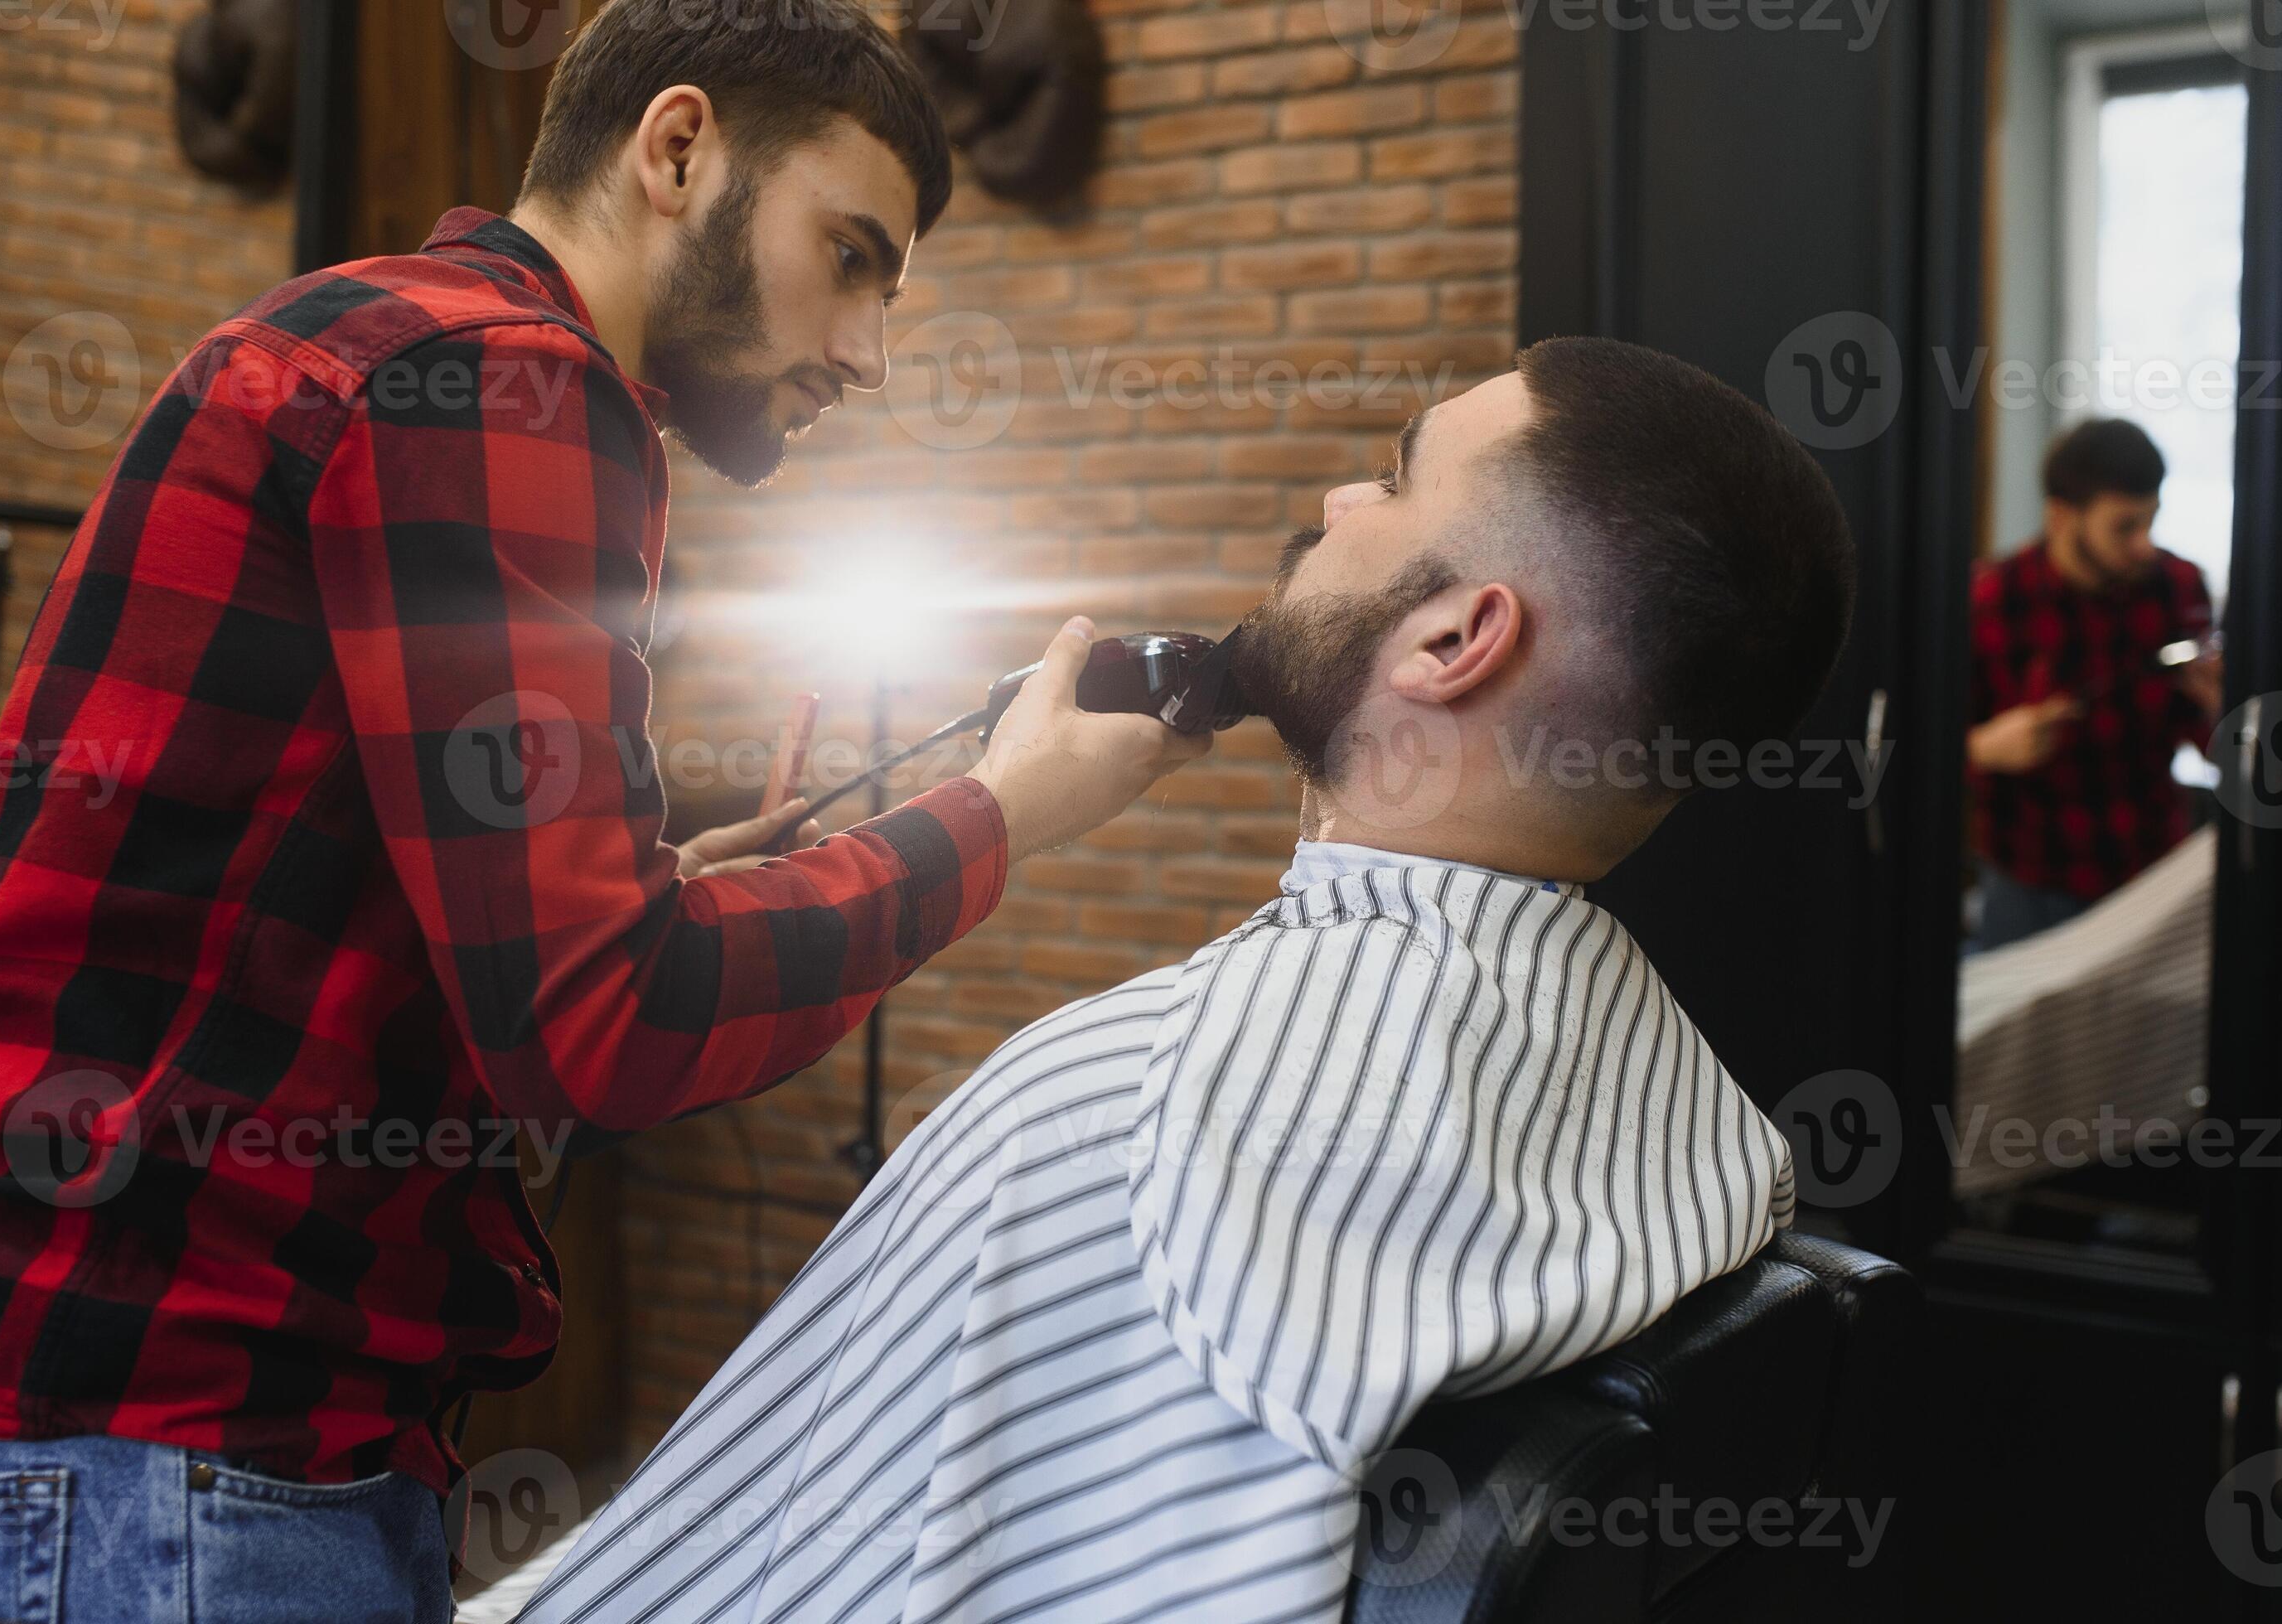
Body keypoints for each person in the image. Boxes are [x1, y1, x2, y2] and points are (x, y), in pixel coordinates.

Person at [0, 2, 1205, 1617]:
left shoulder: (374, 336)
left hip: (68, 1446)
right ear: (678, 148)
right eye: (851, 259)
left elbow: (434, 930)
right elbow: (608, 1024)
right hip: (152, 1467)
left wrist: (667, 883)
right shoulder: (508, 382)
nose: (868, 354)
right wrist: (1002, 818)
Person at [510, 336, 1852, 1624]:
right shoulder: (1704, 1119)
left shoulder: (1117, 1114)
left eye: (1392, 477)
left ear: (1454, 641)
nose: (1338, 498)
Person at [1965, 418, 2222, 948]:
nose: (2144, 546)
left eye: (2152, 522)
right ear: (2062, 517)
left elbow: (2214, 743)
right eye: (2125, 527)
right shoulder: (1990, 599)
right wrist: (1985, 748)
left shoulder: (2178, 586)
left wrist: (2225, 709)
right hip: (2030, 881)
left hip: (2150, 873)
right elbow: (1923, 746)